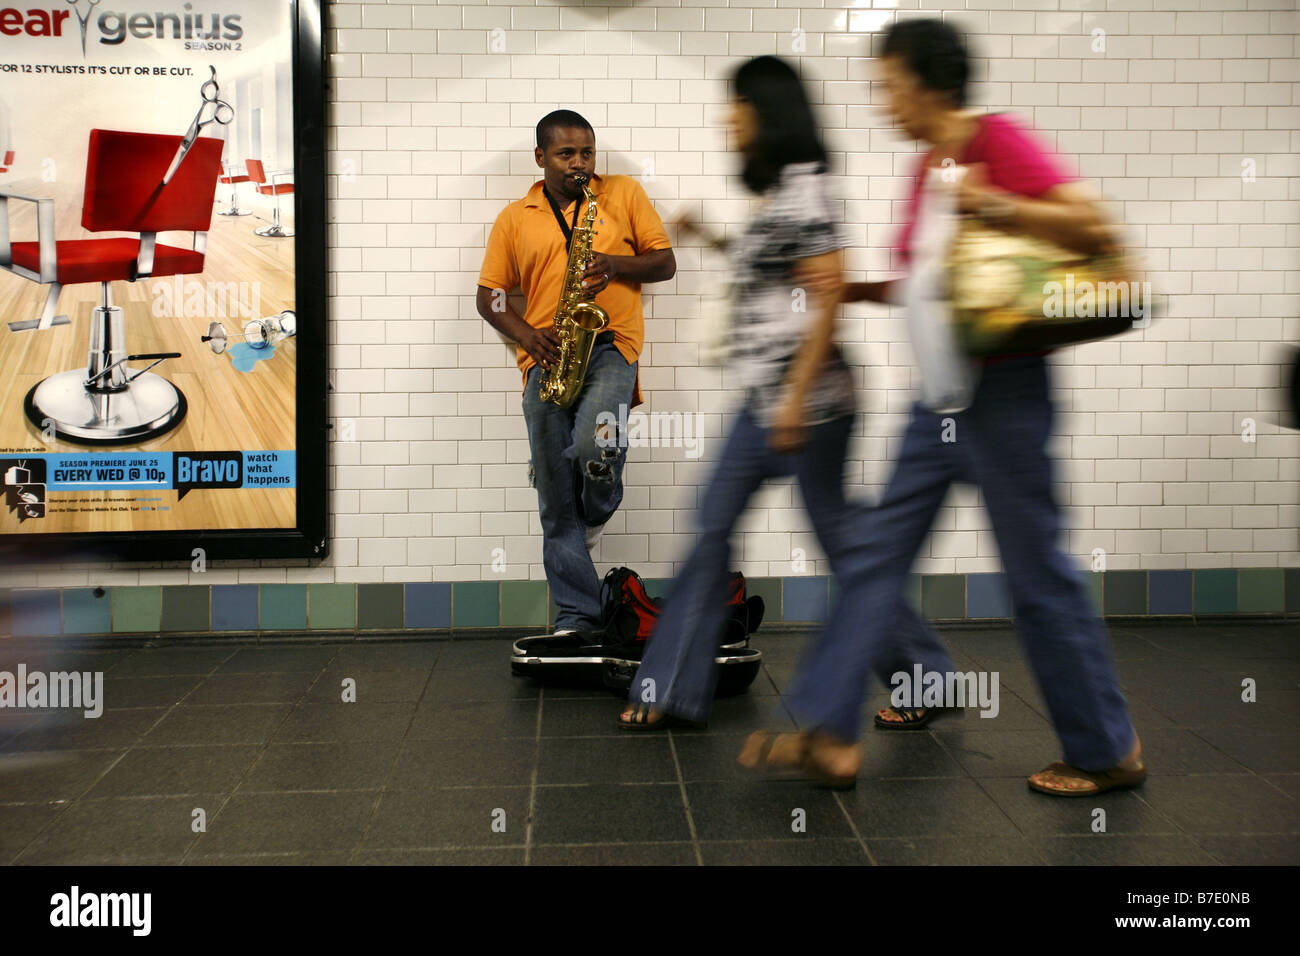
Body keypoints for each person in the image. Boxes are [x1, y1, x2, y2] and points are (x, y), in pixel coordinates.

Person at [740, 18, 1147, 796]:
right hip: (939, 407)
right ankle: (829, 732)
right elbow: (923, 285)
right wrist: (857, 287)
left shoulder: (996, 141)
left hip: (1008, 398)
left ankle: (1107, 749)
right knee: (874, 560)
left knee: (1038, 578)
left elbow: (1091, 226)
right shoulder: (926, 168)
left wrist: (993, 202)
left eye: (888, 83)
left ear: (929, 82)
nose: (881, 99)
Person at [617, 56, 952, 741]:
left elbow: (830, 290)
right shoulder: (778, 191)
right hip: (765, 400)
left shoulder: (811, 188)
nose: (726, 115)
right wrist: (710, 234)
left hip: (814, 405)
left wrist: (797, 400)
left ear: (767, 110)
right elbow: (772, 267)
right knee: (713, 520)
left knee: (842, 543)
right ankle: (669, 685)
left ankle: (926, 678)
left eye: (737, 103)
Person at [477, 111, 676, 635]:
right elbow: (489, 296)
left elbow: (665, 262)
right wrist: (525, 335)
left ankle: (592, 508)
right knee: (551, 492)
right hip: (548, 352)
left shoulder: (624, 194)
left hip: (611, 343)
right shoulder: (515, 217)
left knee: (596, 445)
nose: (579, 163)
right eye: (566, 154)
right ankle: (577, 616)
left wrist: (615, 264)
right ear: (541, 158)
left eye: (587, 152)